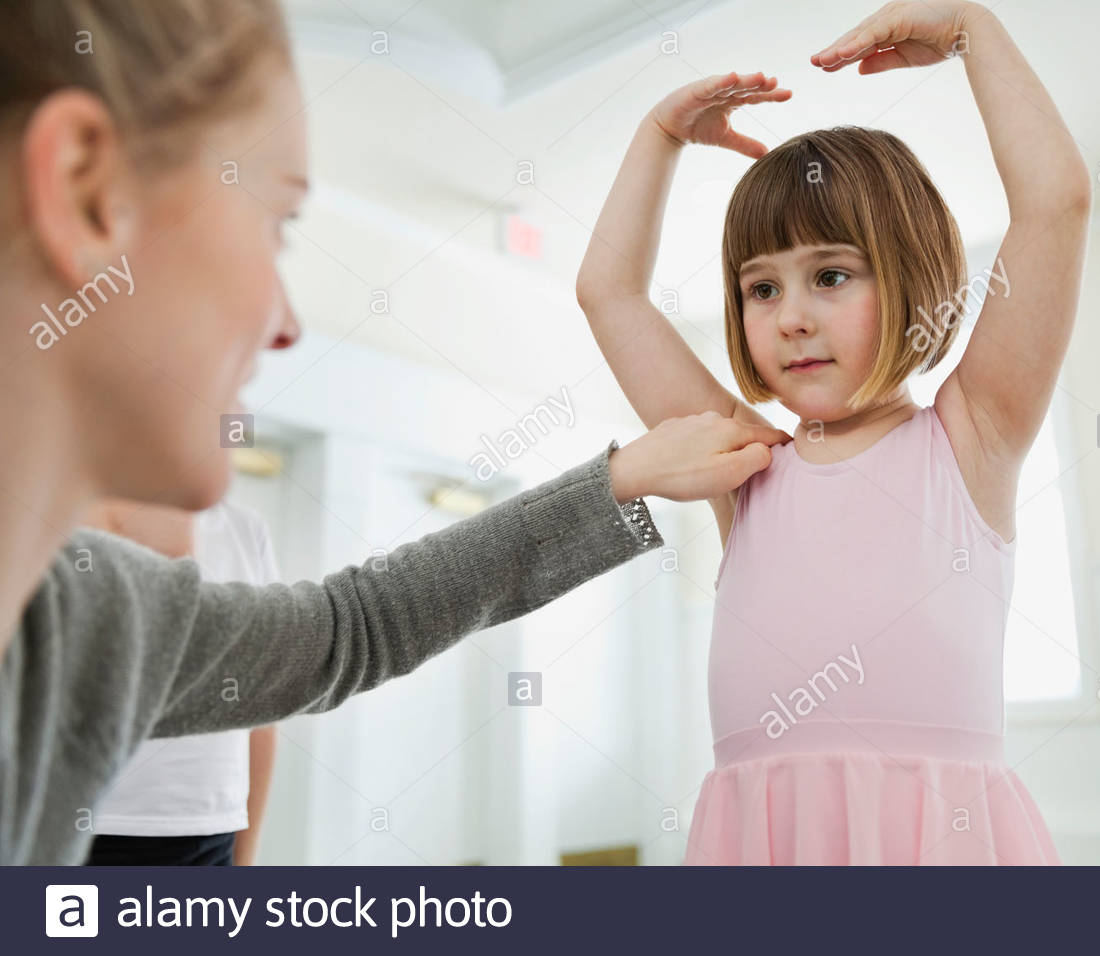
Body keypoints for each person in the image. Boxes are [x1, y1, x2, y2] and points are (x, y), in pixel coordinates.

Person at [0, 0, 791, 865]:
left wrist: (616, 484)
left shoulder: (89, 621)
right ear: (85, 188)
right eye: (278, 221)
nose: (286, 320)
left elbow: (355, 627)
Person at [575, 1, 1090, 864]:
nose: (792, 319)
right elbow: (610, 294)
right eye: (761, 289)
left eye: (831, 275)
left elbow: (1056, 202)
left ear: (916, 281)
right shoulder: (741, 462)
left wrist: (970, 29)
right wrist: (658, 137)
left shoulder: (973, 435)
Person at [80, 499, 280, 867]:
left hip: (207, 834)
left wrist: (245, 864)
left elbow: (261, 717)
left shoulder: (245, 528)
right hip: (76, 828)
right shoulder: (62, 507)